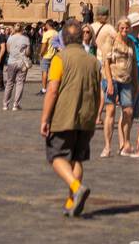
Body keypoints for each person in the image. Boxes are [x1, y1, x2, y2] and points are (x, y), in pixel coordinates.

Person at [40, 16, 101, 217]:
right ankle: (70, 201)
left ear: (64, 39)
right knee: (76, 158)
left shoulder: (60, 58)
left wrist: (45, 119)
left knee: (56, 156)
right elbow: (97, 90)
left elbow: (52, 90)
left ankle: (76, 188)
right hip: (87, 117)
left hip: (64, 115)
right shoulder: (93, 61)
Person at [104, 18, 139, 157]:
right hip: (112, 79)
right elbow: (106, 63)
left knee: (128, 111)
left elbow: (134, 64)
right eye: (122, 28)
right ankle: (107, 146)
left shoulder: (130, 42)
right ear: (118, 28)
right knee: (110, 111)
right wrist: (109, 82)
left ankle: (125, 143)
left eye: (127, 28)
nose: (124, 31)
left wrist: (136, 82)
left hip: (127, 80)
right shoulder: (111, 40)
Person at [92, 6, 119, 144]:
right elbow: (118, 38)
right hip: (104, 60)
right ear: (106, 16)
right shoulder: (108, 28)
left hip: (92, 59)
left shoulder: (91, 26)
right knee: (103, 90)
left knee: (94, 89)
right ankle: (97, 116)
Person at [125, 13, 139, 156]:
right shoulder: (129, 41)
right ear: (134, 26)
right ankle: (125, 143)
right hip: (133, 82)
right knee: (127, 114)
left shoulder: (137, 41)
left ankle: (137, 144)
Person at [3, 24, 32, 111]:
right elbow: (27, 53)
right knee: (20, 83)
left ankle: (5, 104)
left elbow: (8, 50)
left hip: (11, 62)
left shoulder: (10, 38)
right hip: (22, 63)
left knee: (9, 83)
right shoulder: (26, 39)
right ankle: (16, 104)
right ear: (22, 29)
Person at [39, 19, 61, 96]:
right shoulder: (56, 33)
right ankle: (54, 87)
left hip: (46, 55)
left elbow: (44, 45)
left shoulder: (46, 34)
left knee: (44, 72)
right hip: (55, 55)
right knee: (53, 73)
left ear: (48, 25)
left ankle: (44, 89)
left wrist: (41, 53)